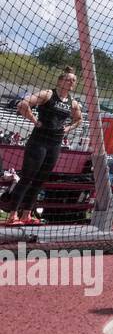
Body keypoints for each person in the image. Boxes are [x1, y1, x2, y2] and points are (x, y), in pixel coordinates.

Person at [1, 66, 82, 225]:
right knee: (27, 178)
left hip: (55, 144)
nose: (71, 82)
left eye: (73, 80)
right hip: (39, 141)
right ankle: (13, 216)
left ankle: (26, 215)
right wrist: (34, 121)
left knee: (39, 181)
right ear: (60, 81)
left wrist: (68, 128)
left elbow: (78, 120)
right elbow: (23, 105)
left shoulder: (73, 103)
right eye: (68, 79)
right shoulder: (48, 94)